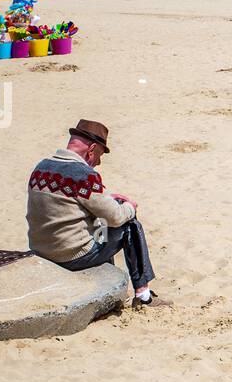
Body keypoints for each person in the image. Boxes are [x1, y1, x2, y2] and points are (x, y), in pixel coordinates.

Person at [26, 120, 164, 307]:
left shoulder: (41, 167)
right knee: (129, 225)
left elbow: (70, 203)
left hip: (42, 250)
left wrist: (107, 198)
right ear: (91, 149)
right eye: (99, 155)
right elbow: (115, 218)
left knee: (102, 222)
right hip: (72, 256)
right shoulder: (83, 174)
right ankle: (143, 295)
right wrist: (130, 206)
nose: (98, 162)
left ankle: (108, 277)